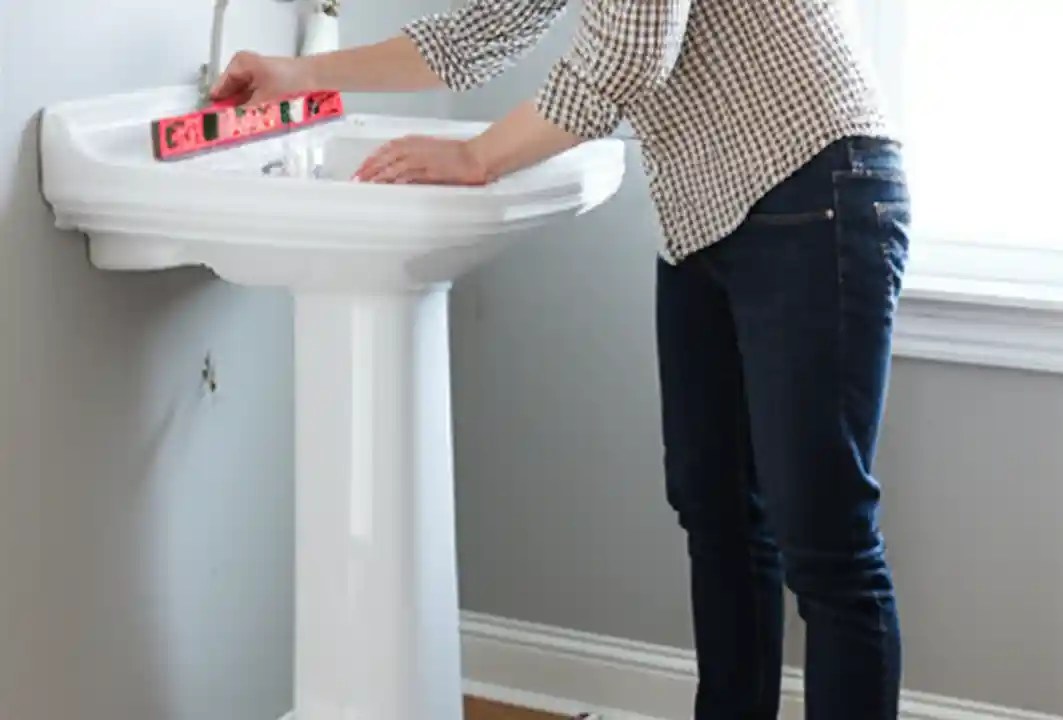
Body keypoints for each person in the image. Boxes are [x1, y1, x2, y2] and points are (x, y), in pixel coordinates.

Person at [213, 1, 910, 717]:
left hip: (814, 182)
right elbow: (482, 30)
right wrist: (296, 74)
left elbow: (632, 54)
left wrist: (477, 155)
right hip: (706, 216)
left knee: (827, 543)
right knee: (720, 517)